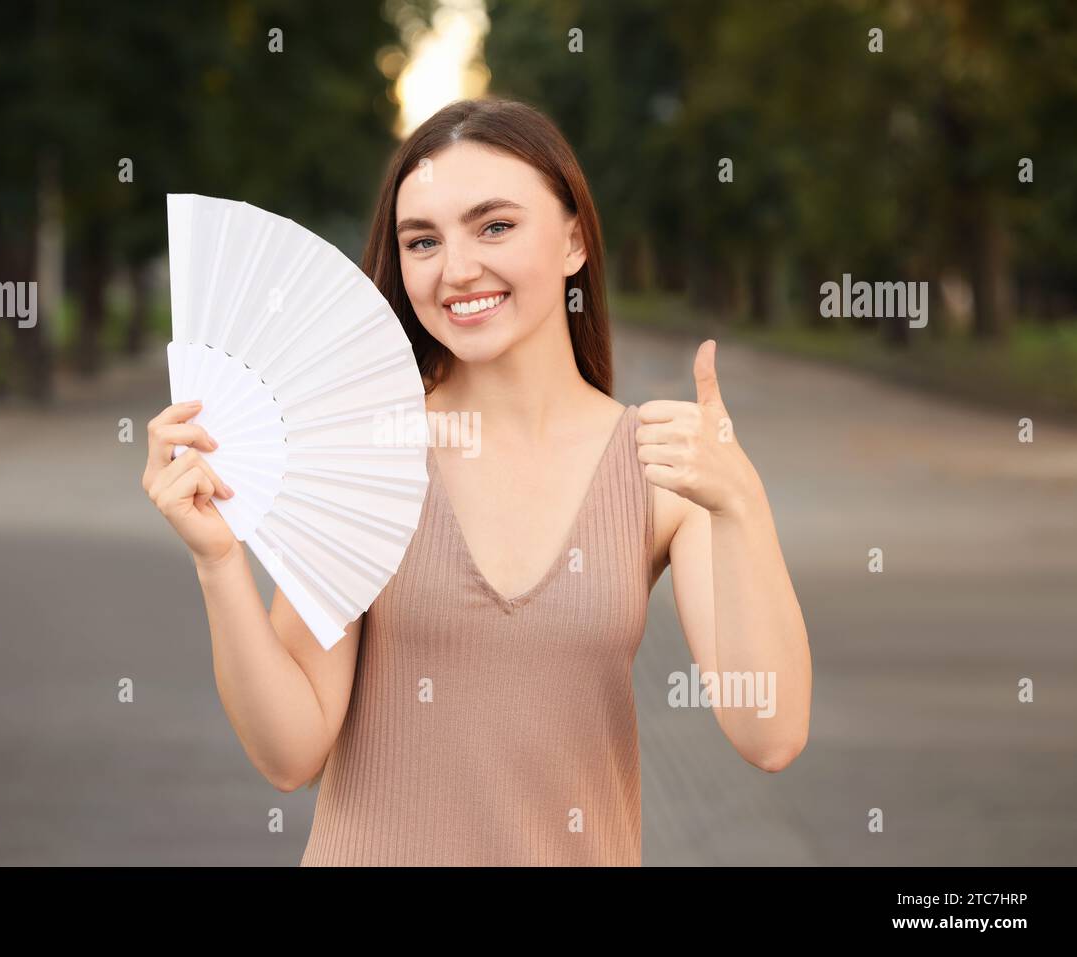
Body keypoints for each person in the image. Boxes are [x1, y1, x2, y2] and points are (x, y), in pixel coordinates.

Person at [141, 97, 812, 866]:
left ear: (573, 239)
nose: (457, 269)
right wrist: (218, 560)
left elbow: (771, 733)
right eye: (422, 241)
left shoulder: (659, 468)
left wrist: (741, 501)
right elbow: (291, 752)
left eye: (495, 225)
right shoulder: (364, 453)